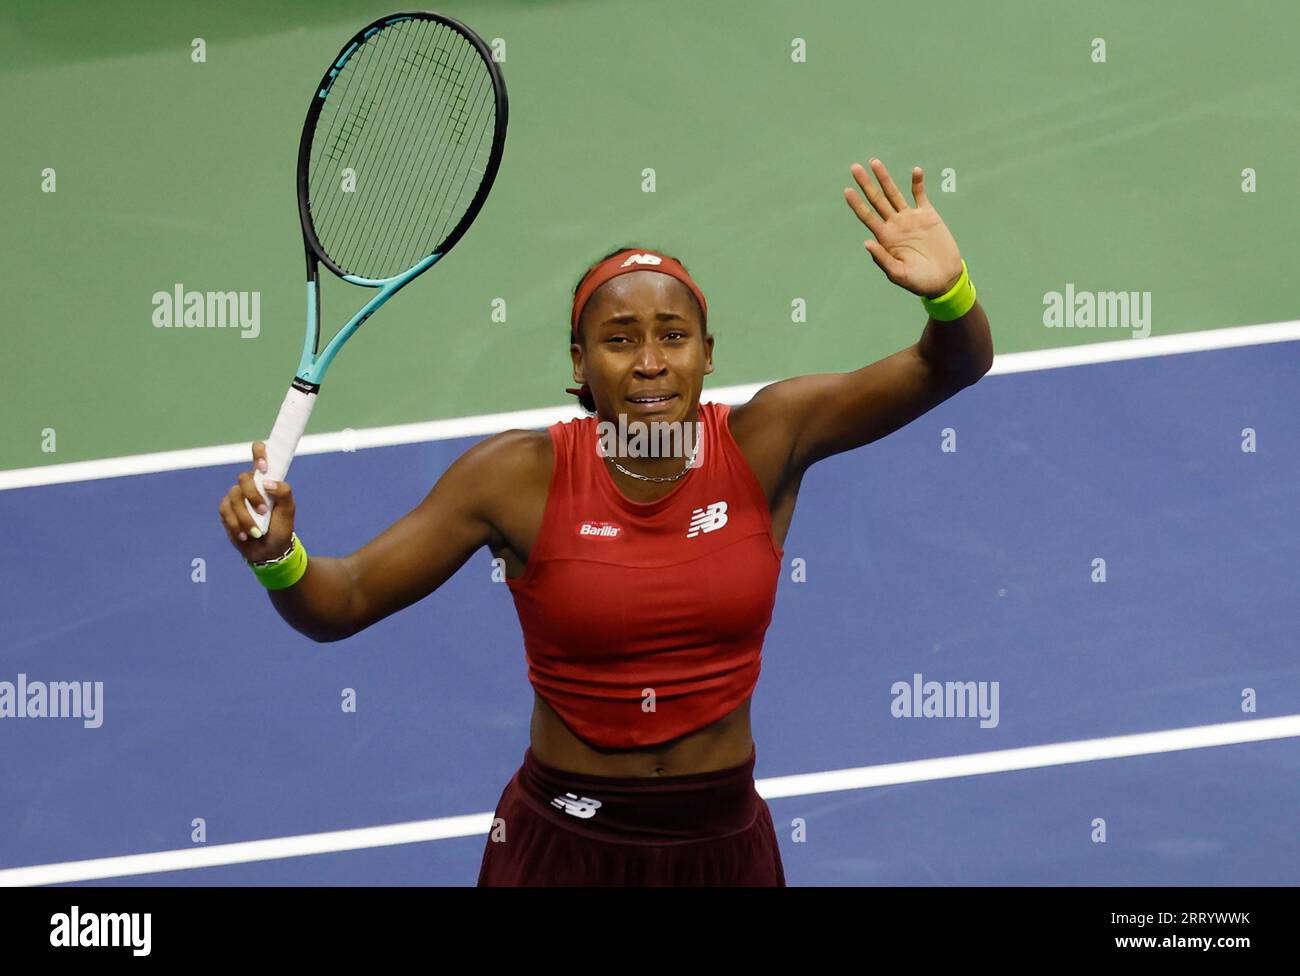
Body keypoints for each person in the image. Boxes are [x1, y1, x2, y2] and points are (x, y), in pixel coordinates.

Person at [217, 158, 993, 885]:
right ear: (581, 363)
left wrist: (947, 290)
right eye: (619, 340)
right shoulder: (516, 476)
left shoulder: (768, 439)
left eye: (672, 336)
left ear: (708, 353)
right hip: (562, 844)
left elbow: (949, 364)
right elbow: (342, 600)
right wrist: (279, 555)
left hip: (719, 845)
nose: (650, 361)